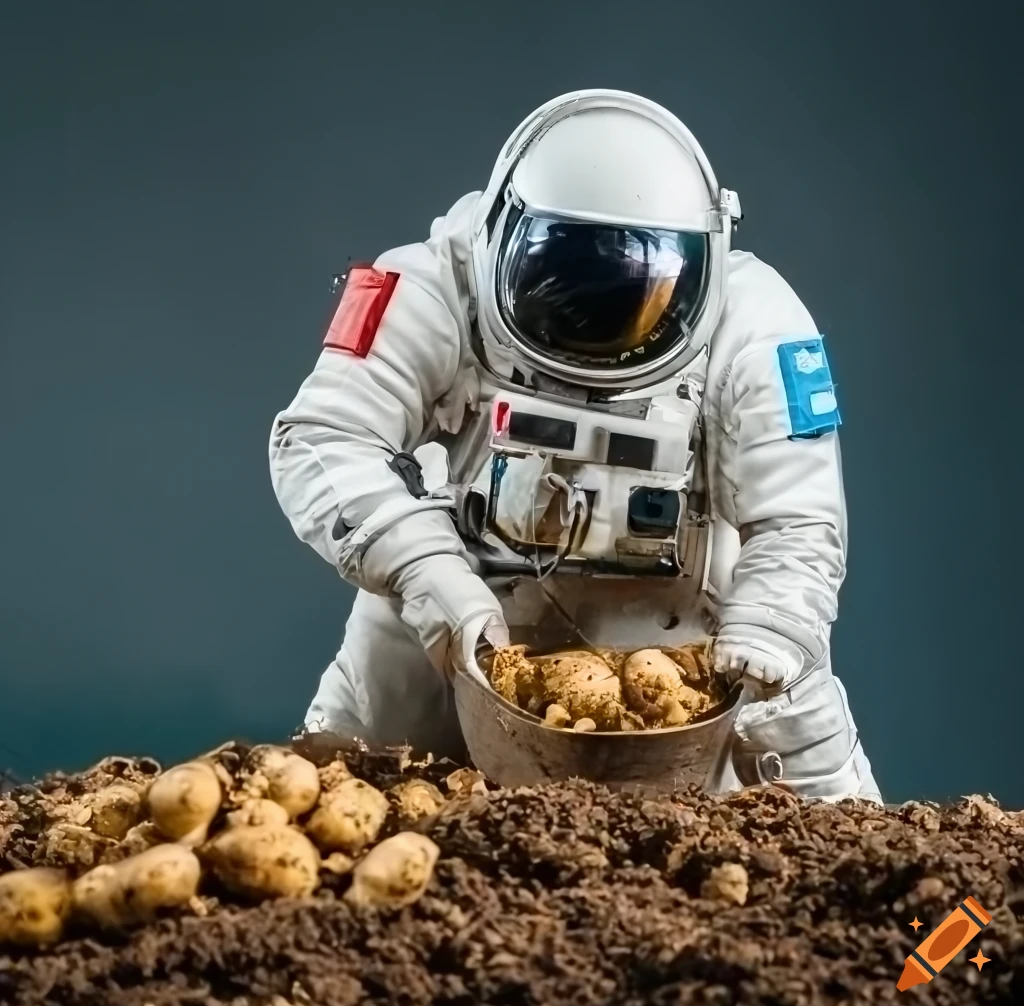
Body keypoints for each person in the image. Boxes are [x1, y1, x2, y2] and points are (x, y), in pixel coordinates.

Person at [268, 88, 882, 803]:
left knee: (813, 750)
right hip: (461, 623)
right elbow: (321, 436)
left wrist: (772, 624)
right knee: (333, 804)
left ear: (704, 256)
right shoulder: (438, 287)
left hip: (685, 668)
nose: (596, 304)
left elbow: (798, 519)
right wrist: (425, 571)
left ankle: (935, 922)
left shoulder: (757, 325)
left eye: (638, 282)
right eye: (567, 270)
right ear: (502, 229)